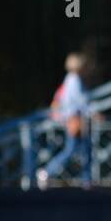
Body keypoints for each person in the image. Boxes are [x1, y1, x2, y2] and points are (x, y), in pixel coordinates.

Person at [37, 54, 91, 188]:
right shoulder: (74, 80)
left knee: (83, 149)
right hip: (75, 118)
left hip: (74, 118)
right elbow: (79, 101)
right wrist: (93, 112)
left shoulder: (70, 79)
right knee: (74, 150)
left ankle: (86, 179)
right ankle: (48, 172)